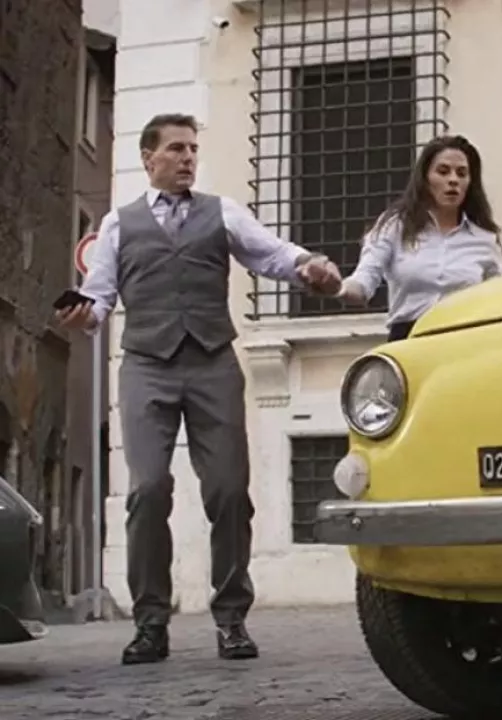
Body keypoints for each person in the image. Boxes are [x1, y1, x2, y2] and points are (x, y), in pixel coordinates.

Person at [54, 113, 342, 666]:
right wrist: (81, 314)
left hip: (212, 363)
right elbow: (100, 301)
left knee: (230, 493)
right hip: (146, 366)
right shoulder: (119, 224)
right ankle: (150, 623)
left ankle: (231, 619)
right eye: (177, 149)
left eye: (192, 150)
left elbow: (270, 253)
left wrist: (308, 265)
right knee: (148, 491)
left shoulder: (222, 211)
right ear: (149, 157)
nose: (188, 158)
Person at [332, 134, 502, 340]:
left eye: (461, 173)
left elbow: (496, 300)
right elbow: (364, 279)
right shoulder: (395, 226)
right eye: (443, 171)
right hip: (409, 340)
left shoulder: (484, 238)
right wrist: (338, 287)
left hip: (464, 342)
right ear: (425, 178)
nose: (453, 180)